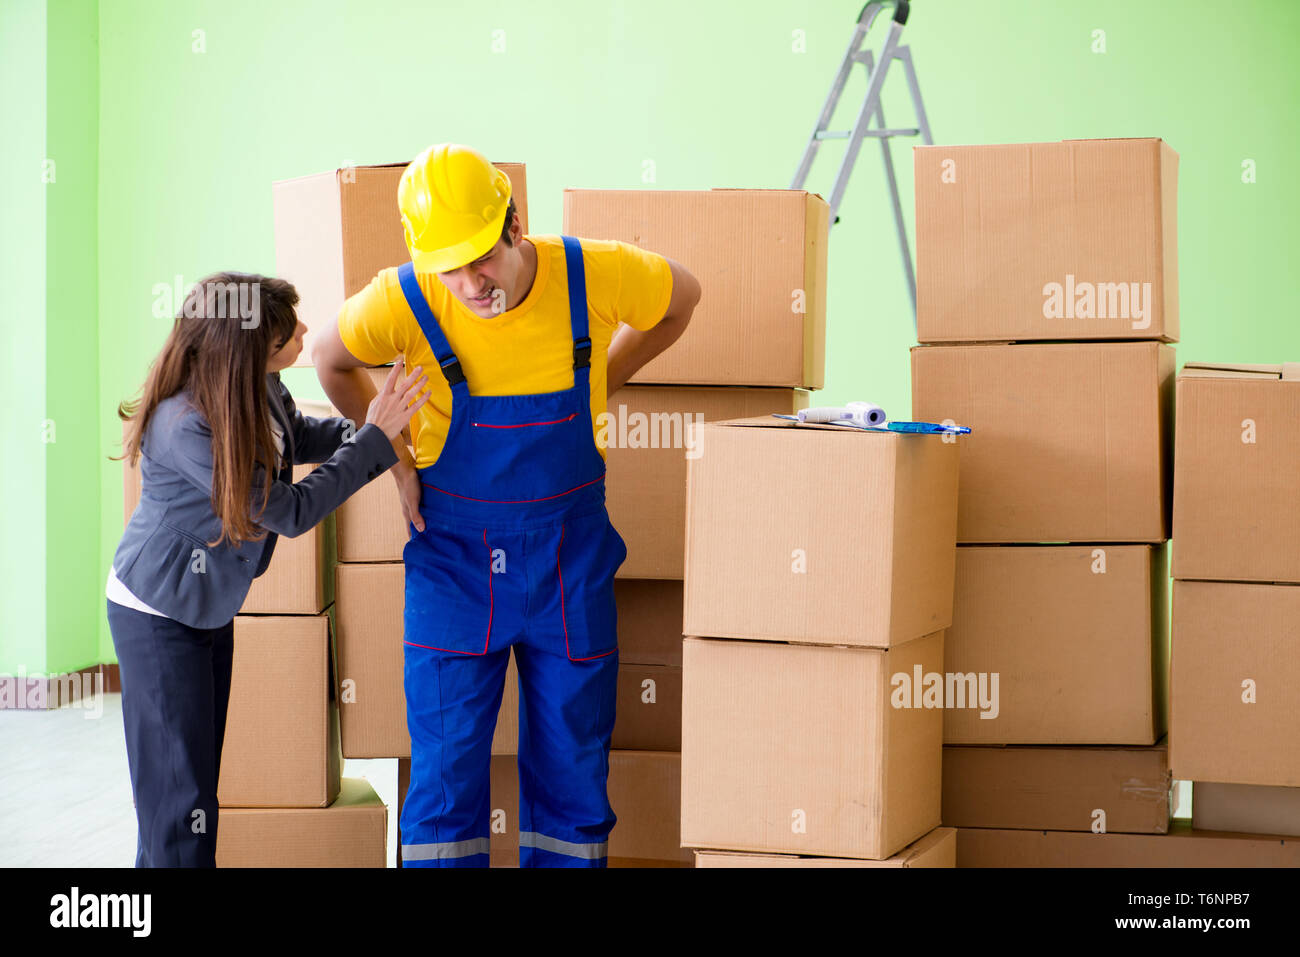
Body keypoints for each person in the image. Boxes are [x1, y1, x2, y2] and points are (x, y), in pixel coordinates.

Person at [314, 143, 701, 867]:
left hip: (569, 564)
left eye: (481, 257)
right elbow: (328, 358)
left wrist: (605, 378)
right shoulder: (403, 297)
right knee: (445, 773)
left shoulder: (590, 273)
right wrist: (395, 461)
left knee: (573, 769)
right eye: (449, 266)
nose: (469, 282)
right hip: (453, 564)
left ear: (514, 223)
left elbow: (684, 296)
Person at [107, 272, 430, 867]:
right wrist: (377, 442)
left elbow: (301, 437)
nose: (306, 330)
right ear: (249, 344)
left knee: (192, 788)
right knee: (181, 801)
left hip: (206, 606)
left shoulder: (259, 386)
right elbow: (290, 510)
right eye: (290, 329)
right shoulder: (187, 426)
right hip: (157, 614)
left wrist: (376, 429)